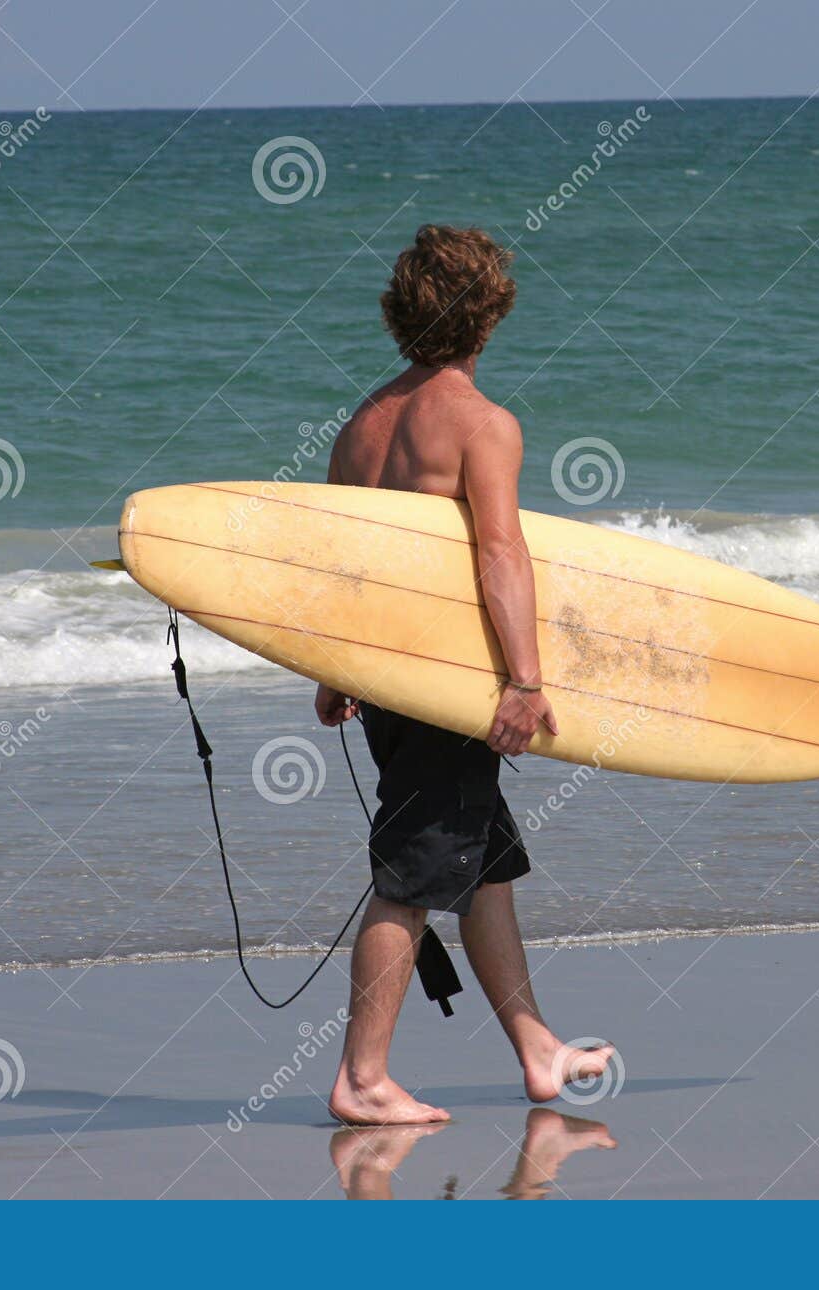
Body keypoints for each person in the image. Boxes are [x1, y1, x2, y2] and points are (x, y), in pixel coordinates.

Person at [316, 224, 615, 1126]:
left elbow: (340, 568)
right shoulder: (485, 426)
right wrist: (523, 681)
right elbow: (500, 552)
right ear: (490, 316)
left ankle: (538, 1049)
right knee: (409, 877)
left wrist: (330, 671)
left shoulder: (359, 427)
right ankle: (362, 1078)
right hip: (452, 685)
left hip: (385, 687)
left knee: (482, 868)